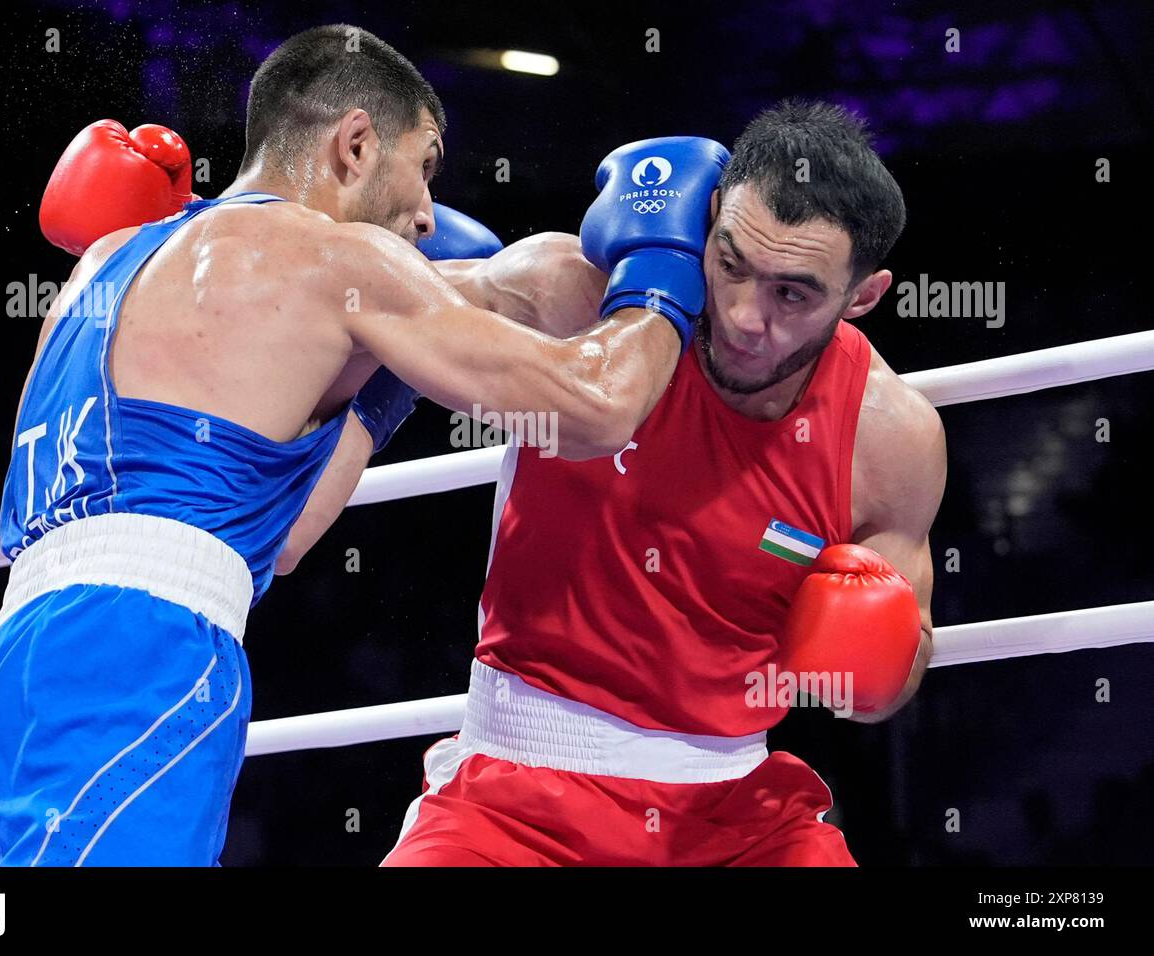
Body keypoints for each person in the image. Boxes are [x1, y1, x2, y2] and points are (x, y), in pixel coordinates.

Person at [0, 24, 718, 865]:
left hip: (2, 678)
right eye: (423, 165)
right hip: (132, 663)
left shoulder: (109, 258)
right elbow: (596, 408)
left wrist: (387, 381)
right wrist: (661, 269)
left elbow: (272, 545)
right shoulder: (337, 259)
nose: (426, 212)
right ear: (354, 144)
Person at [382, 100, 947, 866]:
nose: (747, 316)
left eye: (793, 293)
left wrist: (875, 668)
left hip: (737, 817)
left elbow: (898, 663)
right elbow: (363, 296)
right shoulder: (582, 300)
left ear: (864, 296)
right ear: (708, 218)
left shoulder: (887, 438)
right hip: (513, 798)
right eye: (732, 263)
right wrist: (182, 234)